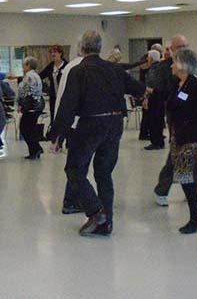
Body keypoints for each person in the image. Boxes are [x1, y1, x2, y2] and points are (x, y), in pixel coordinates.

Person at [47, 30, 146, 237]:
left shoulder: (79, 71)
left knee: (74, 169)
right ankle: (106, 222)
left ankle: (95, 211)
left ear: (81, 48)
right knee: (104, 174)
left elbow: (68, 106)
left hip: (91, 124)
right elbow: (138, 89)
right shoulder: (114, 69)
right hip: (115, 123)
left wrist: (57, 134)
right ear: (100, 48)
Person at [152, 35, 197, 206]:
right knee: (176, 155)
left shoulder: (193, 66)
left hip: (195, 118)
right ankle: (162, 189)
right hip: (177, 119)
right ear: (172, 49)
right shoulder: (167, 69)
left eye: (186, 45)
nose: (184, 48)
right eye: (180, 46)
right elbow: (165, 96)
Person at [164, 48, 197, 234]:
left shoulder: (194, 86)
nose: (172, 66)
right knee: (184, 178)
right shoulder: (178, 84)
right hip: (178, 138)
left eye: (175, 62)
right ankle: (195, 217)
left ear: (183, 65)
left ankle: (196, 218)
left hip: (190, 139)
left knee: (185, 178)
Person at [53, 48, 85, 215]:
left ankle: (77, 199)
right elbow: (65, 100)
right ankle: (71, 201)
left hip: (75, 125)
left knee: (78, 165)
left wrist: (58, 132)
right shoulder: (77, 68)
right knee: (78, 165)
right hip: (79, 125)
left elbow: (60, 100)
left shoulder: (70, 67)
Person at [18, 56, 45, 159]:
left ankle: (35, 149)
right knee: (31, 128)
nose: (23, 67)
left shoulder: (29, 76)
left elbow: (26, 92)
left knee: (25, 128)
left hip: (31, 106)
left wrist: (21, 105)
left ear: (28, 65)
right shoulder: (36, 75)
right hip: (36, 105)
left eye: (24, 65)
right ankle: (35, 149)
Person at [39, 45, 68, 126]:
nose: (52, 54)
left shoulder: (66, 65)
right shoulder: (51, 66)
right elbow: (40, 76)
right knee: (53, 114)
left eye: (54, 52)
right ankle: (53, 131)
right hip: (53, 95)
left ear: (60, 53)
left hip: (64, 95)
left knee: (63, 114)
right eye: (51, 52)